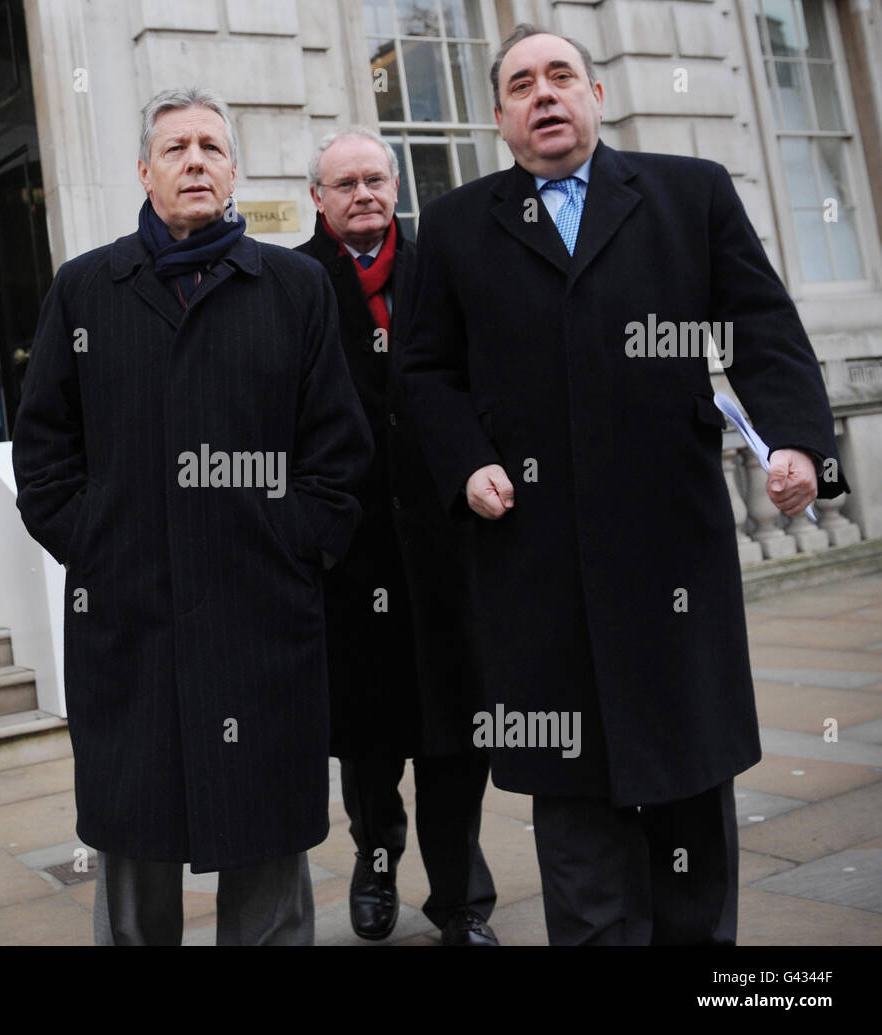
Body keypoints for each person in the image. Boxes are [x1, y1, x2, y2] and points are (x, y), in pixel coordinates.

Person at [399, 24, 849, 946]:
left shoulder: (691, 194)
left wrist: (799, 443)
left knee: (690, 801)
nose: (545, 94)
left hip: (670, 556)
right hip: (533, 567)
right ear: (498, 117)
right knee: (576, 819)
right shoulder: (451, 226)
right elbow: (422, 372)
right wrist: (467, 459)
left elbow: (763, 330)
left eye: (563, 75)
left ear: (597, 94)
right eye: (522, 84)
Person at [12, 87, 372, 946]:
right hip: (131, 626)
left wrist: (289, 545)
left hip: (261, 622)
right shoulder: (85, 290)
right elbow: (44, 455)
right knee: (134, 855)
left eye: (212, 146)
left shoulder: (296, 287)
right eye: (175, 149)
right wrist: (101, 544)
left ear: (236, 169)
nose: (196, 161)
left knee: (267, 848)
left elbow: (338, 456)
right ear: (144, 170)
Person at [295, 126, 496, 946]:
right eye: (344, 184)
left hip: (447, 549)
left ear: (396, 186)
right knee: (367, 738)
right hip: (348, 554)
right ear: (318, 198)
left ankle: (462, 899)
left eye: (376, 179)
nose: (364, 195)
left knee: (456, 733)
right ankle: (375, 857)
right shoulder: (291, 282)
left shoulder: (438, 271)